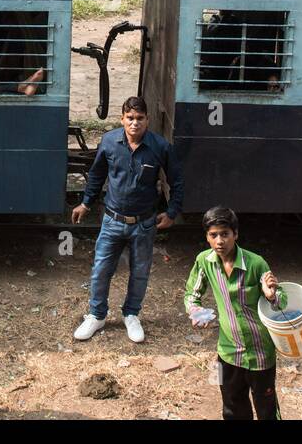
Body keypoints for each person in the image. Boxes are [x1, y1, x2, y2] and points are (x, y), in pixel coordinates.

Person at [71, 96, 184, 343]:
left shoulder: (160, 147)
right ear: (122, 119)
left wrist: (172, 212)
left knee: (140, 271)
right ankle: (97, 315)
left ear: (147, 120)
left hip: (144, 223)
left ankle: (131, 314)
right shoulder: (110, 142)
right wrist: (86, 203)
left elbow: (176, 181)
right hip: (112, 220)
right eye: (130, 118)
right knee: (101, 270)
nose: (135, 123)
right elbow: (97, 174)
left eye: (140, 118)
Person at [185, 206, 279, 420]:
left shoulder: (256, 263)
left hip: (261, 352)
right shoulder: (204, 261)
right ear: (207, 237)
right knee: (232, 408)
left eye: (225, 234)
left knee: (267, 409)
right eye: (213, 235)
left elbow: (280, 302)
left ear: (235, 234)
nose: (219, 241)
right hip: (227, 351)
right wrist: (195, 310)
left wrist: (271, 295)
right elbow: (192, 293)